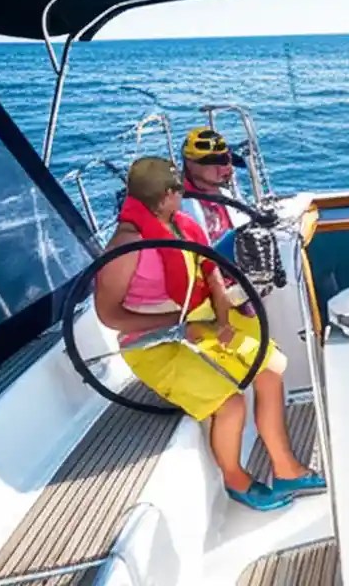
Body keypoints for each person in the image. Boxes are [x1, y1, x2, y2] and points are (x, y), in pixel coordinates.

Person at [94, 156, 325, 511]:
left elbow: (212, 274)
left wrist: (224, 321)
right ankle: (235, 479)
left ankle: (287, 469)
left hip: (200, 324)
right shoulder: (124, 250)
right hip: (149, 344)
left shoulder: (183, 228)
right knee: (229, 404)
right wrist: (177, 324)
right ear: (168, 195)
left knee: (269, 369)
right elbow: (109, 316)